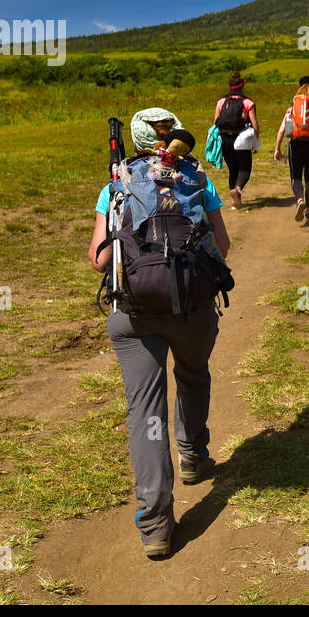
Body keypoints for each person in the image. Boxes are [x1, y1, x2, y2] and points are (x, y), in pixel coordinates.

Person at [87, 107, 231, 559]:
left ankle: (155, 525)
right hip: (192, 306)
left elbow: (99, 260)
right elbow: (221, 245)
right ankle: (193, 454)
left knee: (144, 412)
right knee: (193, 374)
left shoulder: (117, 183)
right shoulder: (196, 179)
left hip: (134, 314)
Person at [274, 82, 309, 224]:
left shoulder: (290, 110)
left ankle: (299, 200)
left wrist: (277, 149)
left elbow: (281, 131)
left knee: (296, 178)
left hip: (295, 146)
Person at [213, 72, 258, 209]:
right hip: (242, 139)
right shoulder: (247, 102)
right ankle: (237, 189)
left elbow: (215, 122)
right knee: (245, 170)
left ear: (230, 86)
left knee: (233, 169)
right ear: (242, 86)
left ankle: (234, 203)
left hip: (225, 138)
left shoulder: (221, 101)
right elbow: (254, 123)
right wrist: (255, 141)